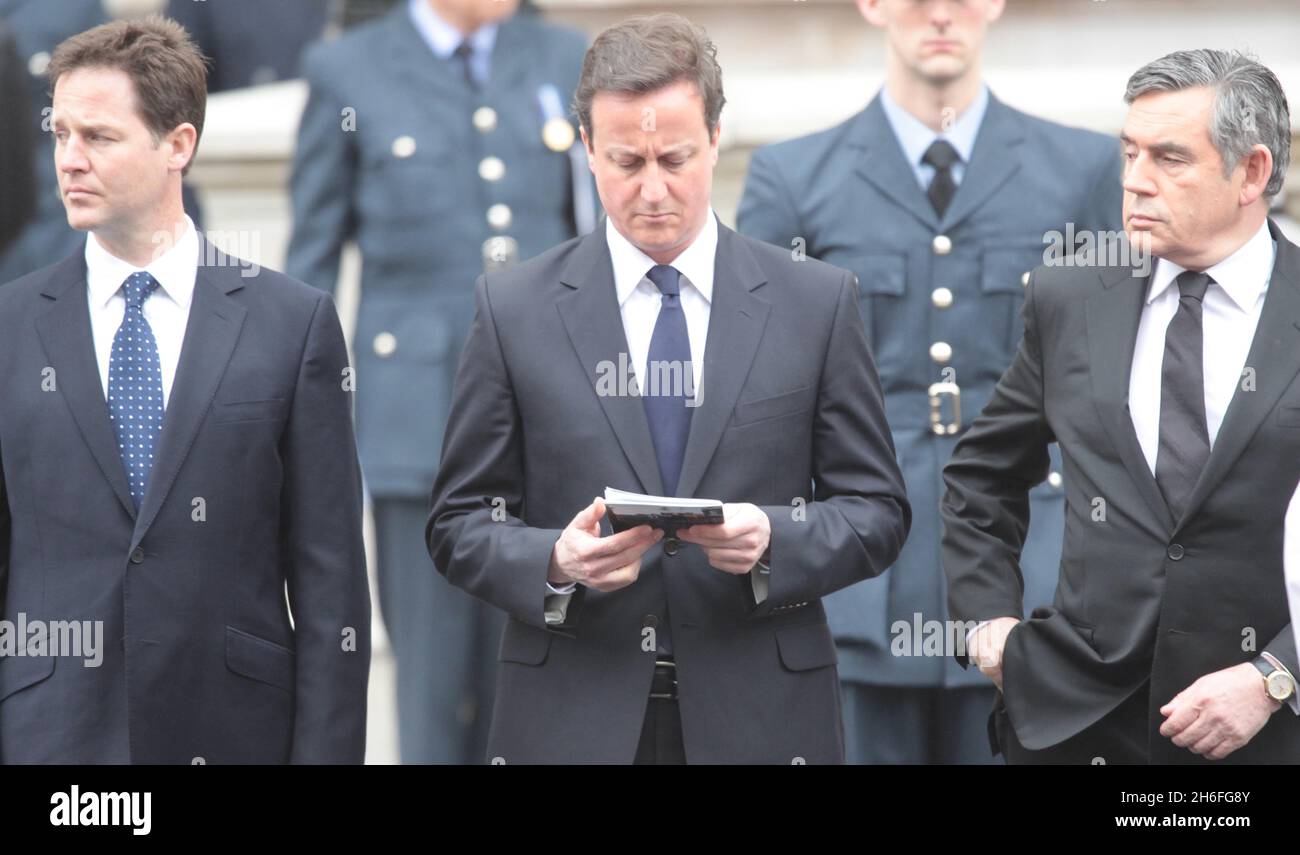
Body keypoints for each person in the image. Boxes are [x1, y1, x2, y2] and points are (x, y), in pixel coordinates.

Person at [428, 13, 910, 764]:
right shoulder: (511, 308)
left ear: (717, 139)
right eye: (627, 161)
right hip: (571, 718)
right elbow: (457, 522)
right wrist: (554, 560)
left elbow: (878, 510)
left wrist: (775, 539)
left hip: (763, 717)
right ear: (586, 149)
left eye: (675, 158)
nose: (653, 190)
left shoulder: (816, 301)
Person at [737, 0, 1121, 764]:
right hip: (861, 580)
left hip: (1034, 572)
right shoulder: (794, 178)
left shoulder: (1084, 170)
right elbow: (762, 396)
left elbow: (1113, 385)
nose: (941, 13)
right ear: (872, 5)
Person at [0, 15, 370, 763]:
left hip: (234, 734)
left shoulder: (290, 324)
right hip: (56, 746)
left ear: (178, 145)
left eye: (98, 137)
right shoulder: (8, 327)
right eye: (60, 133)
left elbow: (331, 587)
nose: (69, 159)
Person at [942, 49, 1300, 764]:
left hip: (1267, 729)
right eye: (1129, 152)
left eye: (1170, 158)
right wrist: (988, 625)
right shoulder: (1068, 295)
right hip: (1075, 722)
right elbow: (982, 474)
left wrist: (1274, 676)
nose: (1135, 180)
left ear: (1252, 173)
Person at [286, 0, 593, 765]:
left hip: (550, 421)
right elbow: (311, 269)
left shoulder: (561, 57)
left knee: (539, 680)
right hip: (415, 431)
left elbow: (594, 236)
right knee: (428, 694)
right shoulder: (346, 70)